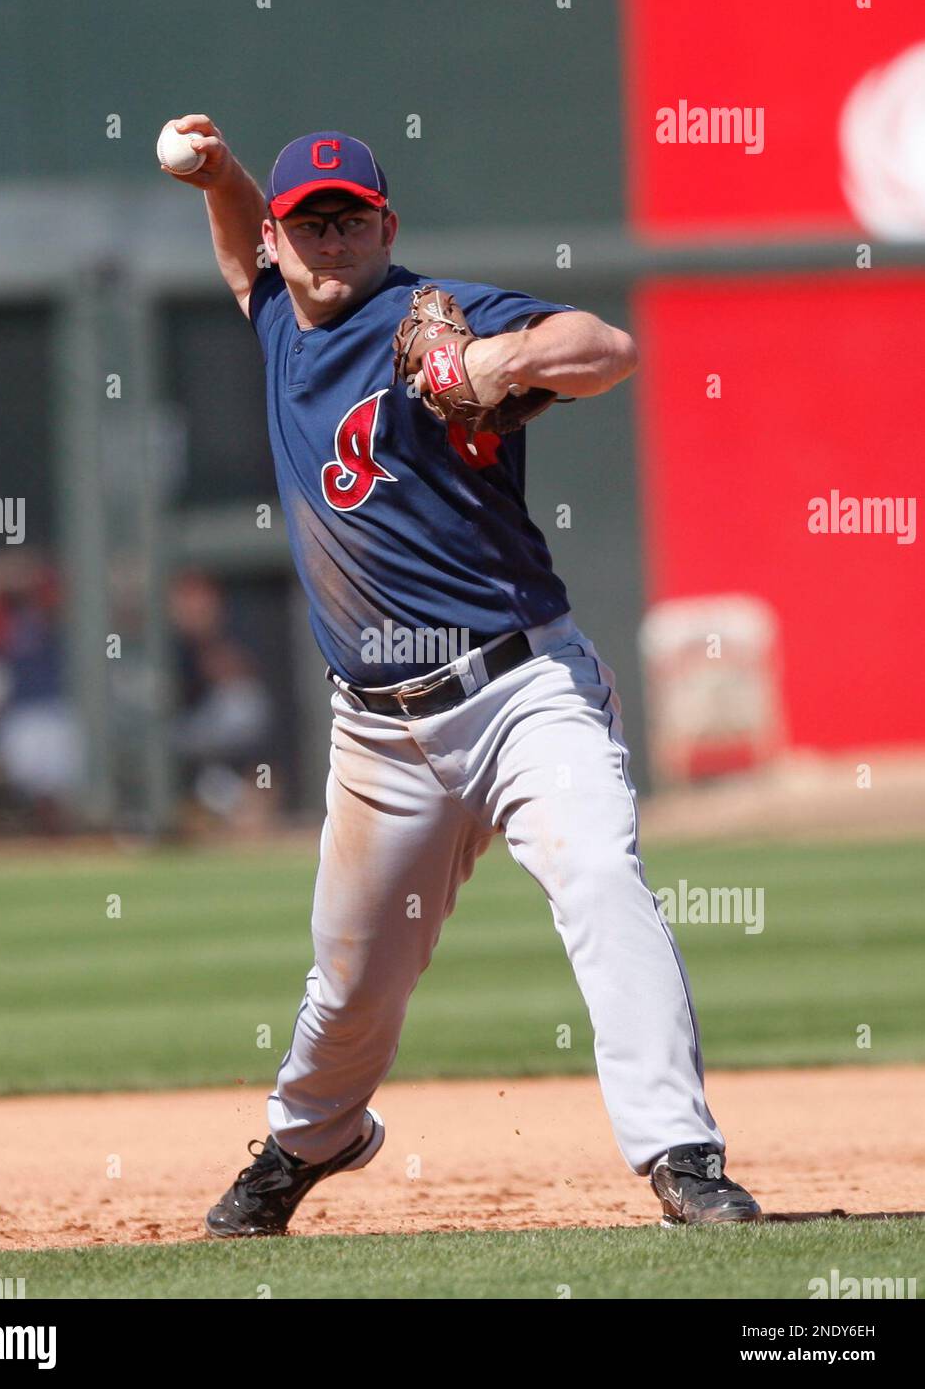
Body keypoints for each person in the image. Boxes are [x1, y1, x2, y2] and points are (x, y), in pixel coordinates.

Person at [159, 118, 761, 1234]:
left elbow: (607, 348)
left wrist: (500, 361)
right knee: (349, 984)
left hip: (522, 686)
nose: (327, 240)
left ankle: (681, 1155)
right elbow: (239, 249)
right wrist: (226, 175)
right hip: (378, 734)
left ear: (387, 227)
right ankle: (312, 1138)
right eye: (308, 224)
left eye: (349, 219)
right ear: (282, 244)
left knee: (599, 876)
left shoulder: (430, 314)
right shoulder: (278, 326)